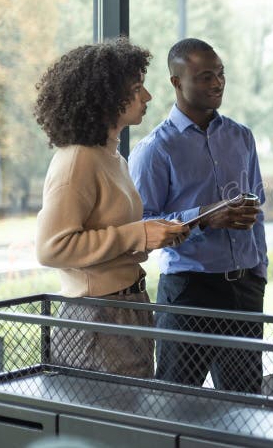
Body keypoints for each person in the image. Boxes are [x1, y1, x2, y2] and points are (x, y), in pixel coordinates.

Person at [34, 38, 189, 377]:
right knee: (116, 410)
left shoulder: (112, 157)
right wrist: (138, 234)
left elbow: (115, 234)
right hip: (97, 317)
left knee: (133, 405)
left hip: (126, 307)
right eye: (136, 89)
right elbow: (50, 248)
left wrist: (152, 236)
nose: (147, 96)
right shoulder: (77, 160)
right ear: (104, 98)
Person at [129, 38, 267, 393]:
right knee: (175, 400)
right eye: (205, 76)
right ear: (176, 82)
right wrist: (202, 217)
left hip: (244, 291)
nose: (217, 83)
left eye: (220, 74)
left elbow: (258, 210)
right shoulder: (154, 149)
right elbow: (142, 226)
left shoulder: (241, 137)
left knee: (245, 402)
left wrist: (259, 273)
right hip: (189, 293)